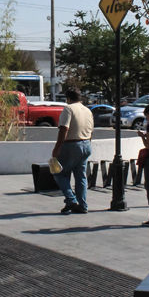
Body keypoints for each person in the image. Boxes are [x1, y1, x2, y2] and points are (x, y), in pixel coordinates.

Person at [51, 87, 94, 215]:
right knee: (80, 176)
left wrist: (57, 147)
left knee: (59, 173)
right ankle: (82, 205)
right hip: (86, 143)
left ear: (68, 98)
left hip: (71, 144)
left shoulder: (68, 109)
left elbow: (64, 128)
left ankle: (71, 199)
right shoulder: (87, 110)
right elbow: (91, 130)